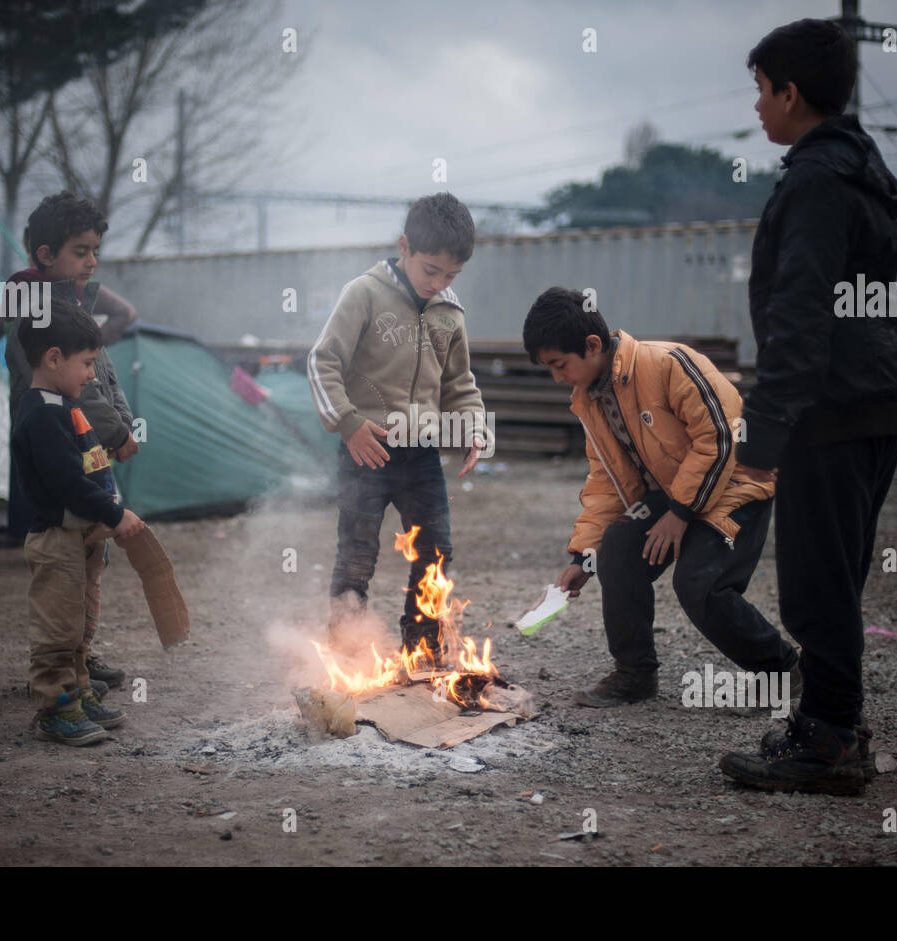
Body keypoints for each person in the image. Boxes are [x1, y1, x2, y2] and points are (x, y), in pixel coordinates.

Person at [718, 19, 897, 795]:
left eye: (762, 91)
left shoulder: (814, 183)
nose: (758, 109)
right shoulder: (863, 172)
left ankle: (830, 740)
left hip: (832, 406)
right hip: (876, 399)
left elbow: (800, 318)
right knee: (838, 577)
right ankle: (833, 722)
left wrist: (764, 436)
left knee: (814, 584)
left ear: (790, 92)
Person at [522, 288, 797, 707]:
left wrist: (681, 514)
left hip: (736, 486)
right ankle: (634, 675)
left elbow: (722, 437)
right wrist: (583, 558)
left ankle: (782, 670)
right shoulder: (590, 401)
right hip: (674, 495)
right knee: (616, 547)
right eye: (549, 370)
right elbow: (606, 482)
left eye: (560, 365)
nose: (558, 379)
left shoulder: (668, 364)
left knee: (698, 583)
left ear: (592, 346)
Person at [0, 192, 137, 689]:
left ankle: (81, 655)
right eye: (80, 251)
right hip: (56, 431)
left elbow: (104, 362)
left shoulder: (74, 299)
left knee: (92, 547)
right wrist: (117, 430)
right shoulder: (31, 301)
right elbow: (60, 386)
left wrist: (118, 421)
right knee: (62, 549)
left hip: (91, 436)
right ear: (45, 255)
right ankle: (61, 668)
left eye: (95, 250)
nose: (91, 260)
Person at [307, 193, 487, 653]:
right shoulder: (363, 294)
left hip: (421, 452)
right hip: (366, 447)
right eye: (431, 270)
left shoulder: (451, 312)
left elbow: (459, 382)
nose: (439, 282)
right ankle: (346, 654)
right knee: (357, 557)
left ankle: (422, 650)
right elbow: (322, 362)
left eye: (451, 275)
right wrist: (348, 423)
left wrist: (473, 427)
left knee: (435, 552)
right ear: (404, 246)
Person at [13, 296, 144, 745]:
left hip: (81, 537)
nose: (93, 375)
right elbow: (68, 483)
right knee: (57, 627)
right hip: (56, 541)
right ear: (53, 358)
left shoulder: (63, 406)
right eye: (87, 363)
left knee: (82, 623)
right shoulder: (42, 415)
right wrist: (113, 512)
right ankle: (55, 706)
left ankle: (80, 690)